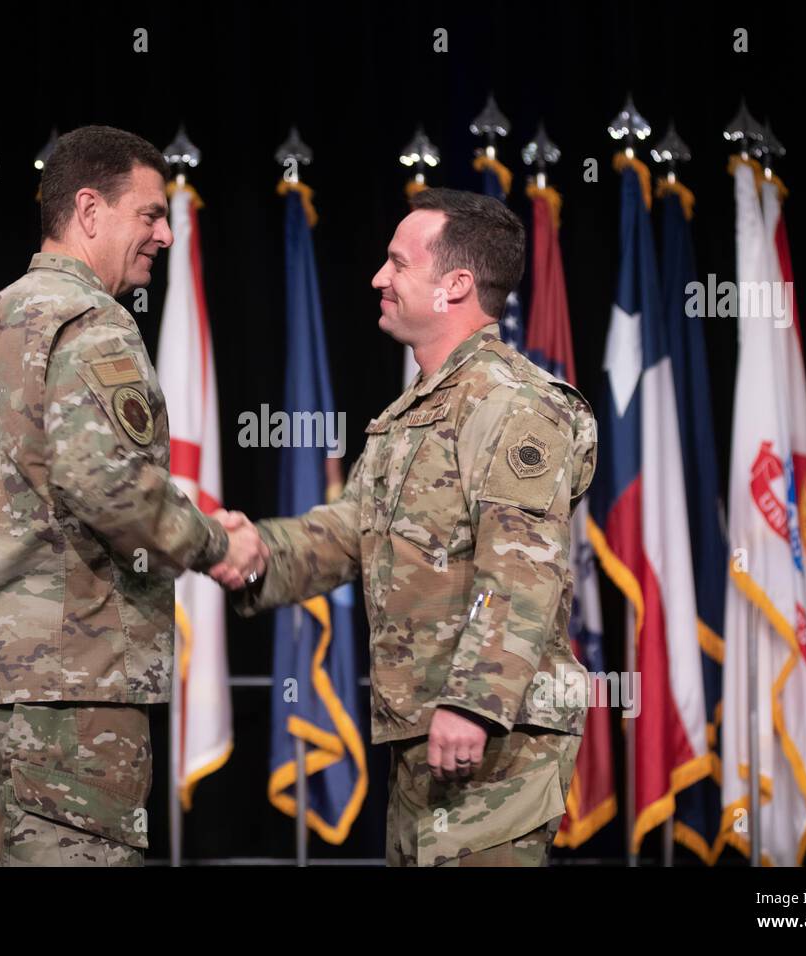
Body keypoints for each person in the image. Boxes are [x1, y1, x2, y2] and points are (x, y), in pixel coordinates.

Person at [214, 187, 597, 866]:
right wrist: (242, 551)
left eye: (397, 263)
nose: (378, 278)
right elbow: (344, 534)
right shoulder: (407, 419)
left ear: (455, 285)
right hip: (423, 734)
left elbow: (520, 569)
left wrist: (474, 705)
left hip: (493, 741)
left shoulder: (515, 403)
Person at [0, 125, 266, 866]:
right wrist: (218, 544)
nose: (165, 235)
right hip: (74, 688)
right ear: (89, 210)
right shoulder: (94, 324)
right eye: (149, 214)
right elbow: (109, 485)